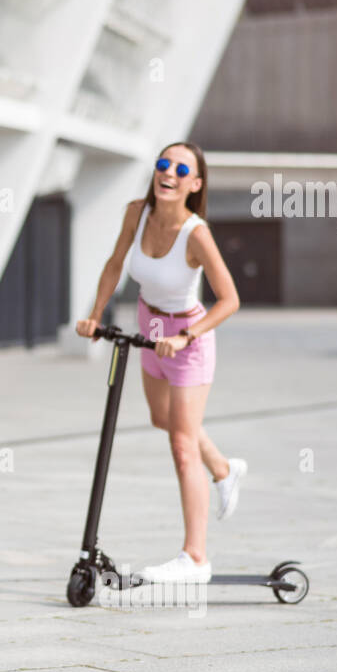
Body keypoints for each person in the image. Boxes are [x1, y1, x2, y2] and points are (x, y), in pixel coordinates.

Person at [74, 141, 243, 583]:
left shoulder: (196, 233)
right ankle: (224, 467)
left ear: (195, 183)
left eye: (180, 169)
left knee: (183, 447)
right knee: (161, 419)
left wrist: (186, 335)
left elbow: (229, 301)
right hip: (149, 328)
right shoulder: (137, 212)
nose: (168, 173)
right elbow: (114, 264)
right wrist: (95, 315)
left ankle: (196, 558)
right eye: (163, 164)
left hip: (188, 339)